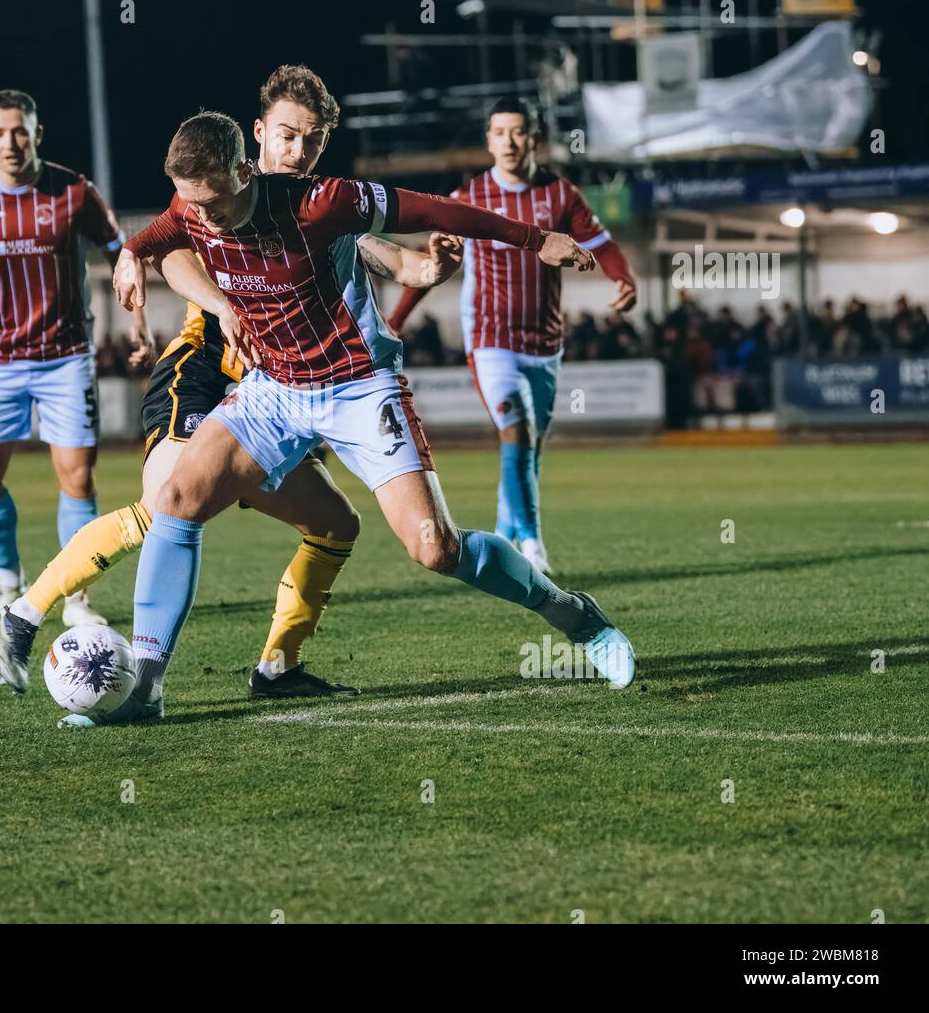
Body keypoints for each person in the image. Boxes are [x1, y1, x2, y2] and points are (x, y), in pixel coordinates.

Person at [63, 109, 635, 727]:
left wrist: (532, 238)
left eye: (213, 202)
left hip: (358, 387)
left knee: (433, 548)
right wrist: (132, 252)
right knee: (177, 498)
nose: (202, 216)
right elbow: (163, 232)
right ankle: (145, 691)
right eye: (190, 204)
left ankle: (574, 616)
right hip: (275, 389)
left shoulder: (320, 203)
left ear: (243, 170)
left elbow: (433, 209)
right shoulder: (194, 205)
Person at [0, 65, 463, 699]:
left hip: (287, 397)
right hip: (206, 371)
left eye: (313, 139)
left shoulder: (322, 208)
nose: (300, 151)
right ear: (257, 138)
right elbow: (170, 246)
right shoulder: (218, 187)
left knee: (335, 525)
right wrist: (215, 301)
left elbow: (392, 257)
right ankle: (27, 615)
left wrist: (428, 267)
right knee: (165, 508)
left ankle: (278, 667)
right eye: (289, 137)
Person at [0, 89, 151, 633]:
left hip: (66, 356)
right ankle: (8, 584)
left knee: (76, 478)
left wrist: (137, 318)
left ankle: (76, 597)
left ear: (37, 134)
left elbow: (123, 254)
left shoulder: (74, 191)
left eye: (19, 130)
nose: (9, 142)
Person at [386, 97, 637, 572]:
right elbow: (431, 261)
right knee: (515, 426)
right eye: (499, 132)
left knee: (526, 446)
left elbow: (601, 243)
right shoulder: (469, 198)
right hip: (490, 338)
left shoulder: (560, 195)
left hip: (544, 346)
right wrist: (397, 320)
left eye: (518, 132)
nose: (509, 141)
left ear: (534, 138)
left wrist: (622, 277)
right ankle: (534, 545)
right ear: (488, 140)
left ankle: (505, 531)